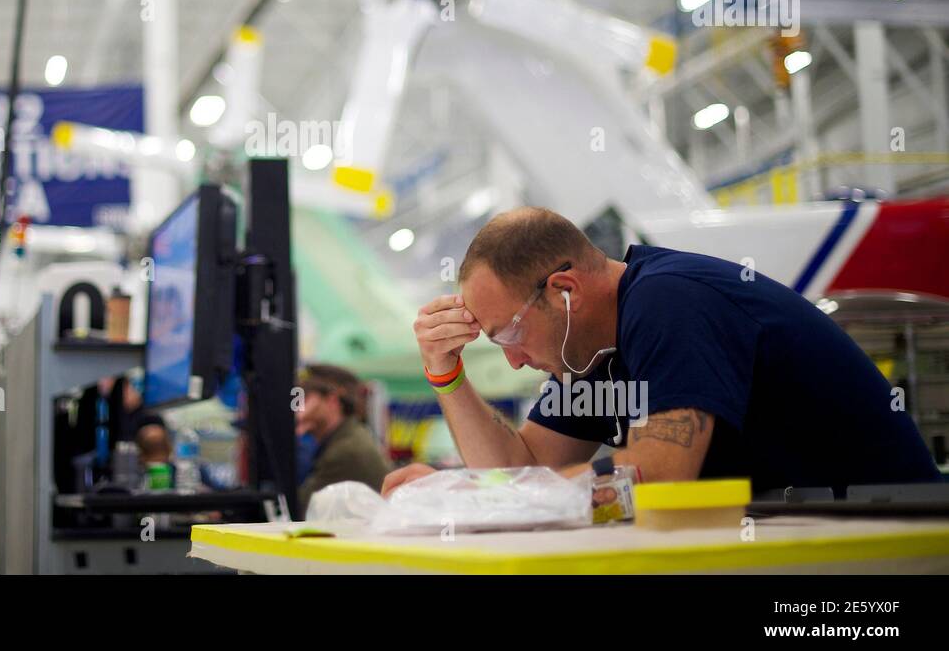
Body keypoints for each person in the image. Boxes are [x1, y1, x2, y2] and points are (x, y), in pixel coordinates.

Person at [386, 207, 941, 497]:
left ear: (564, 292)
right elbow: (522, 468)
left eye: (509, 334)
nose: (511, 360)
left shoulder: (669, 301)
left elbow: (654, 478)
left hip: (886, 546)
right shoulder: (588, 352)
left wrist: (477, 495)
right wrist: (447, 374)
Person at [296, 364, 391, 517]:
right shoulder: (347, 438)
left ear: (332, 401)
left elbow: (298, 510)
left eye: (303, 398)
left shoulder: (345, 452)